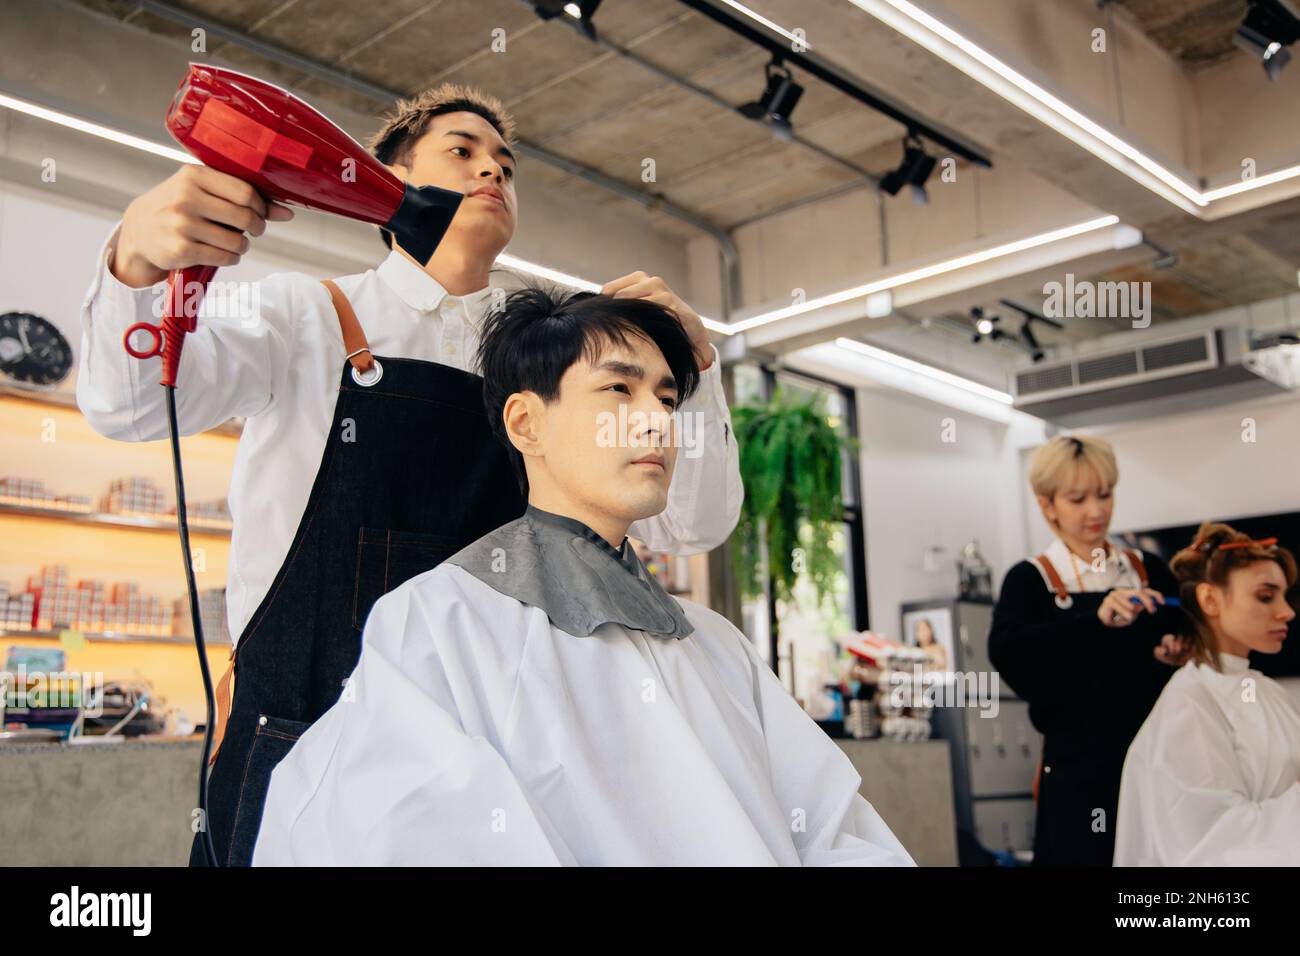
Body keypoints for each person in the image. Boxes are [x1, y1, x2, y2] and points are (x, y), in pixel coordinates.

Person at [75, 82, 742, 866]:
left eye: (505, 163)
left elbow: (694, 524)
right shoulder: (303, 316)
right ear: (383, 179)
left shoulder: (560, 363)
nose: (492, 171)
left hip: (493, 750)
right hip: (302, 727)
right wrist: (135, 261)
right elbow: (127, 409)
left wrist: (697, 371)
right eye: (462, 152)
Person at [251, 286, 914, 866]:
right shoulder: (441, 624)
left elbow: (834, 827)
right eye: (619, 389)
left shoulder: (717, 646)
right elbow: (403, 834)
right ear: (525, 423)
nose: (656, 418)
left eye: (666, 396)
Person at [988, 435, 1188, 866]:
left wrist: (1177, 649)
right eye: (1078, 499)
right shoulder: (1031, 580)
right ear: (1047, 505)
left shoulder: (1146, 570)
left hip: (1158, 761)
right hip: (1079, 774)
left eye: (1105, 494)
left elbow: (1183, 638)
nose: (1096, 511)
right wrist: (1093, 620)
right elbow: (1012, 655)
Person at [1115, 522, 1299, 866]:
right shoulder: (1190, 702)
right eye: (1265, 596)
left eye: (1285, 596)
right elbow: (1212, 842)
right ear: (1210, 599)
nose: (1286, 611)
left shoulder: (1268, 692)